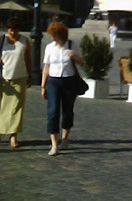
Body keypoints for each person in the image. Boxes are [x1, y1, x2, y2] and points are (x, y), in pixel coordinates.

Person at [41, 21, 84, 157]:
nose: (52, 37)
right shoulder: (49, 48)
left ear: (61, 35)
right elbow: (46, 67)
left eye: (54, 35)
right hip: (53, 81)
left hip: (69, 81)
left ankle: (65, 138)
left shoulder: (72, 45)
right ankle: (54, 145)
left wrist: (74, 56)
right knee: (53, 111)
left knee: (67, 111)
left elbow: (82, 62)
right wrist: (43, 85)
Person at [0, 15, 32, 149]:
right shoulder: (2, 40)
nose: (12, 32)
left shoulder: (25, 41)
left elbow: (28, 59)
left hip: (19, 77)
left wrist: (30, 75)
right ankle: (1, 132)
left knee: (16, 108)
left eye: (15, 29)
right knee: (2, 107)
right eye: (10, 29)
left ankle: (13, 136)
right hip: (3, 79)